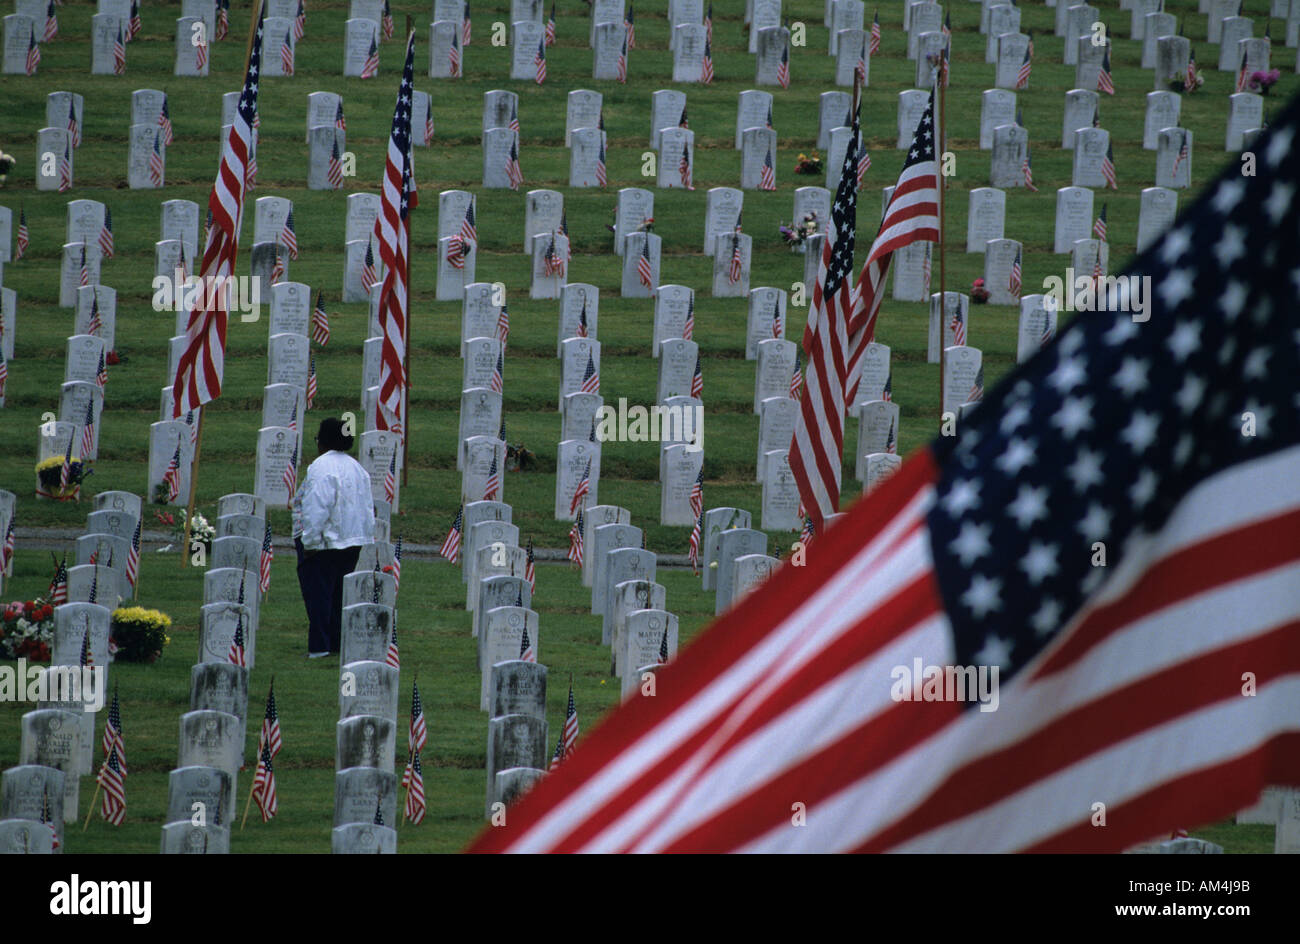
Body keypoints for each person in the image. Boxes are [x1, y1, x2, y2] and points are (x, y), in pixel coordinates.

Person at [292, 417, 376, 658]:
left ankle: (319, 646)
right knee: (339, 596)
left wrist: (309, 542)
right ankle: (337, 644)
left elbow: (317, 507)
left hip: (325, 543)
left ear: (324, 441)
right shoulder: (356, 467)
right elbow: (367, 507)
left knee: (318, 596)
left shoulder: (320, 467)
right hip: (353, 541)